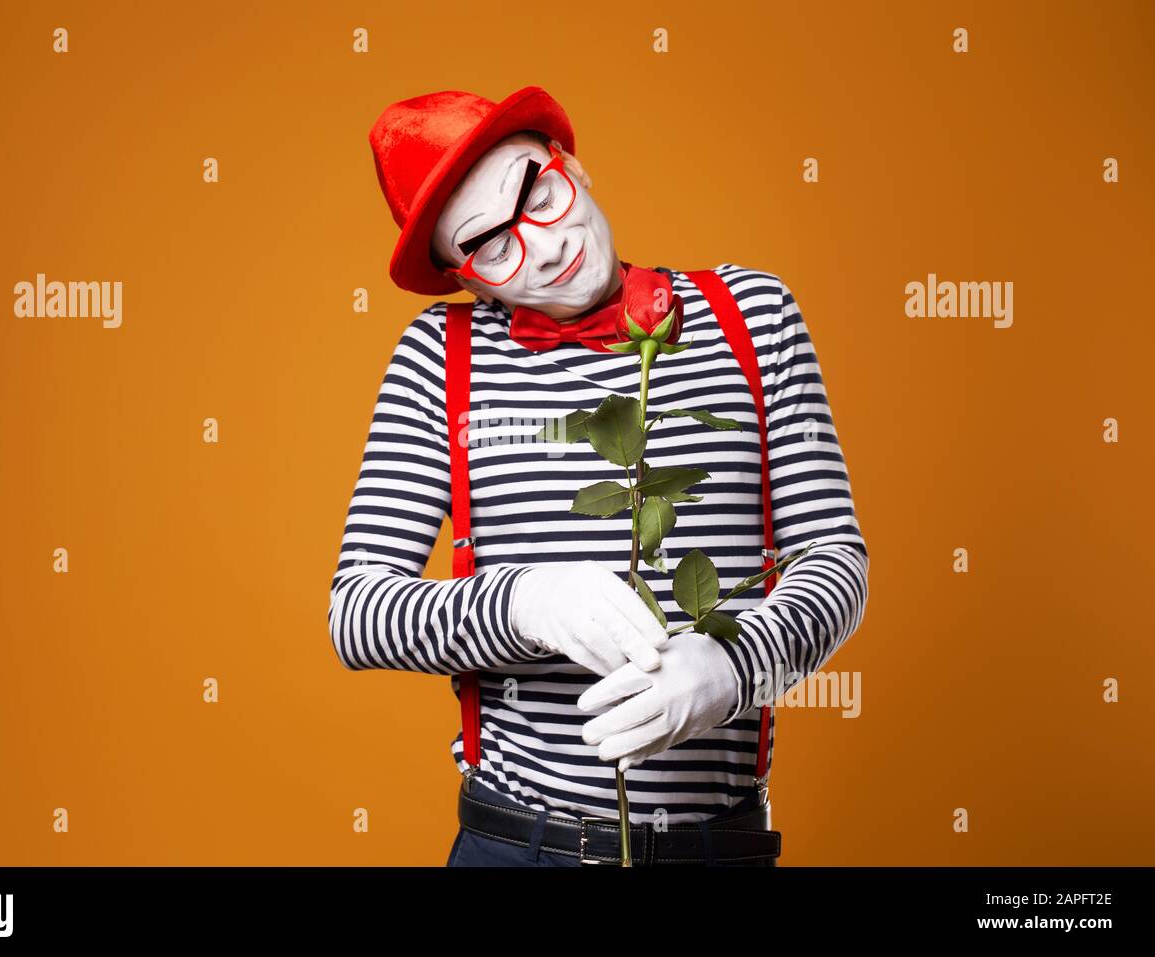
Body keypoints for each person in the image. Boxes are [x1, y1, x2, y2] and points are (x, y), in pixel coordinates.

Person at [329, 86, 870, 866]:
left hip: (720, 848)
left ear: (570, 164)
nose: (544, 247)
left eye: (536, 192)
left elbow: (834, 559)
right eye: (489, 243)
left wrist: (735, 666)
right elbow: (360, 612)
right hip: (519, 846)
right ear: (466, 279)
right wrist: (527, 602)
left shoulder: (755, 314)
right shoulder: (435, 361)